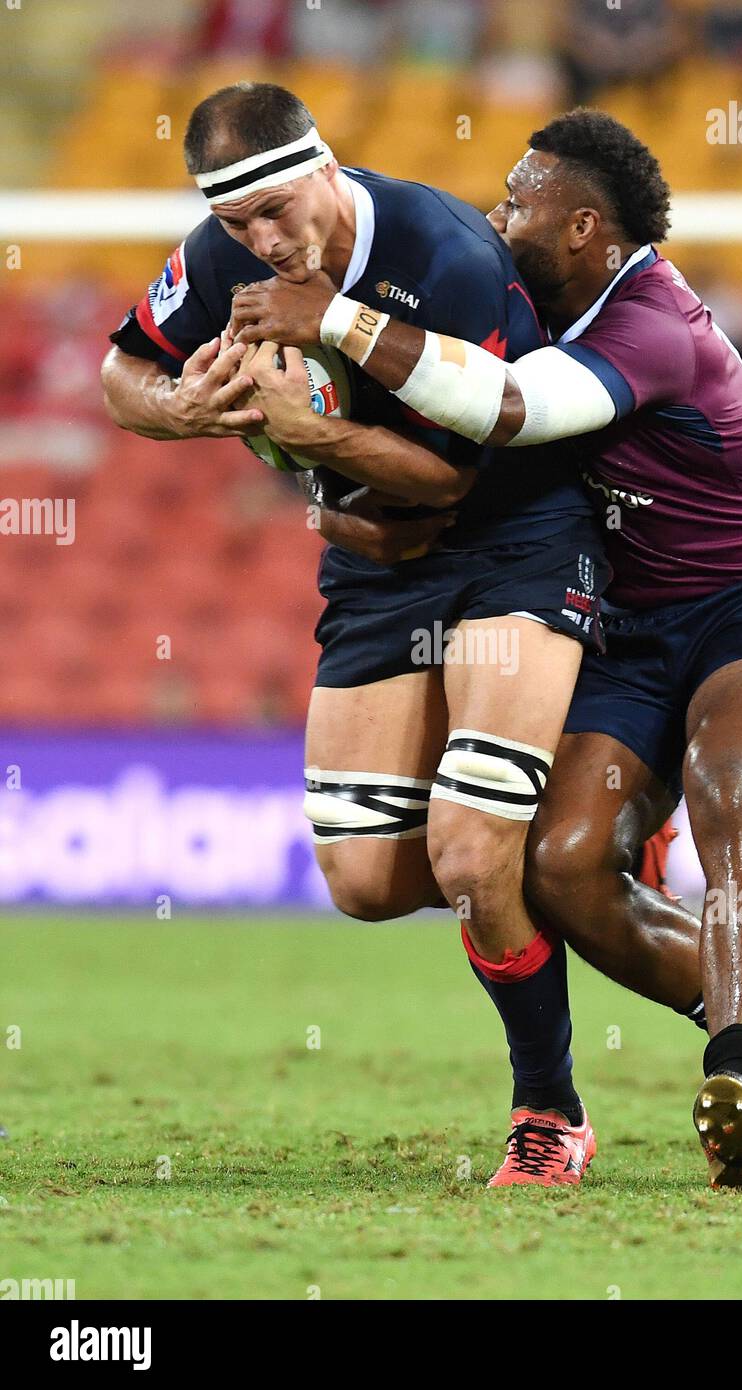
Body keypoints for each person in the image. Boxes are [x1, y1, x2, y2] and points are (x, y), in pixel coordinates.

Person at [229, 108, 742, 1191]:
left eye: (519, 199)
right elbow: (448, 460)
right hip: (622, 632)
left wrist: (337, 318)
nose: (495, 210)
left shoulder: (650, 325)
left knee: (730, 784)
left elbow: (508, 409)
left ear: (582, 228)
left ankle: (741, 1068)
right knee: (559, 866)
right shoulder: (517, 304)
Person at [102, 82, 615, 1187]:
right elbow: (120, 369)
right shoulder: (219, 255)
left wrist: (295, 428)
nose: (264, 241)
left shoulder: (442, 251)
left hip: (516, 537)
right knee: (368, 879)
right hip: (374, 564)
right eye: (240, 224)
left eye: (279, 211)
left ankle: (548, 1110)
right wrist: (182, 410)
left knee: (470, 849)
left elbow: (450, 474)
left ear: (325, 163)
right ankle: (564, 858)